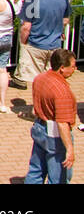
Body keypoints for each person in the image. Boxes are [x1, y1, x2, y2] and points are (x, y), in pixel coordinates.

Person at [25, 49, 77, 184]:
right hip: (55, 136)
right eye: (72, 66)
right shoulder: (62, 91)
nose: (75, 69)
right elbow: (62, 123)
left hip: (39, 128)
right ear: (62, 68)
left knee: (36, 171)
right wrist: (70, 149)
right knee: (58, 178)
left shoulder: (39, 79)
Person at [20, 0, 70, 82]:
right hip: (55, 45)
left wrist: (23, 42)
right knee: (52, 80)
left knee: (37, 81)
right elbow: (65, 20)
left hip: (35, 44)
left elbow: (26, 26)